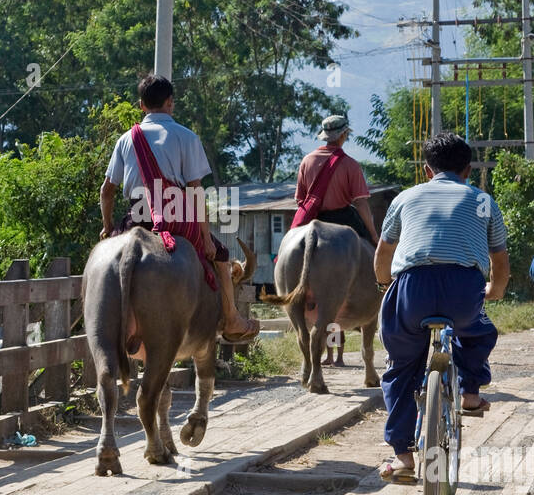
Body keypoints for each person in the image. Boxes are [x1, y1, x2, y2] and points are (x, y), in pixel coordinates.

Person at [373, 133, 509, 481]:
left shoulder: (406, 197)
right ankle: (470, 393)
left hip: (411, 287)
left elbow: (383, 254)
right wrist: (494, 290)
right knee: (476, 333)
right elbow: (500, 261)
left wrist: (386, 285)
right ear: (468, 169)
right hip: (464, 289)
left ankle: (403, 457)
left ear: (426, 169)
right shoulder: (482, 200)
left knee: (401, 367)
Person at [100, 74, 260, 343]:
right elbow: (196, 190)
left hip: (136, 217)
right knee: (221, 257)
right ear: (170, 103)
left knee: (103, 262)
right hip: (177, 217)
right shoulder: (186, 137)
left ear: (141, 105)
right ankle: (232, 319)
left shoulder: (126, 139)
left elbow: (107, 191)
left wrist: (107, 228)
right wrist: (207, 240)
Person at [293, 115, 379, 244]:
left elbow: (300, 200)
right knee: (368, 250)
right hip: (343, 219)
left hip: (313, 219)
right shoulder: (351, 164)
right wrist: (373, 235)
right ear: (343, 134)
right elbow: (360, 203)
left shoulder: (307, 161)